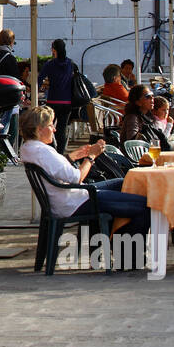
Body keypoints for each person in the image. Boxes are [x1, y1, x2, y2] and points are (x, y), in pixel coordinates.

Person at [18, 106, 149, 248]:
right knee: (146, 206)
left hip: (68, 197)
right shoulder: (43, 151)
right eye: (50, 125)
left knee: (123, 183)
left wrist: (74, 156)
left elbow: (53, 168)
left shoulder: (28, 148)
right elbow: (76, 177)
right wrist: (92, 156)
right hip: (75, 201)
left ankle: (113, 240)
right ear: (39, 129)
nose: (54, 130)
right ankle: (125, 253)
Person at [38, 38, 77, 153]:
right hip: (67, 101)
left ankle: (50, 150)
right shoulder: (71, 64)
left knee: (48, 126)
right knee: (62, 129)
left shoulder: (50, 64)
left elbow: (39, 79)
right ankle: (60, 152)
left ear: (54, 50)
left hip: (53, 101)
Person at [119, 85, 171, 149]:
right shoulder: (133, 118)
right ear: (138, 102)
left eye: (152, 95)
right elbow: (132, 144)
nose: (152, 99)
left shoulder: (148, 117)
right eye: (148, 96)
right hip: (138, 157)